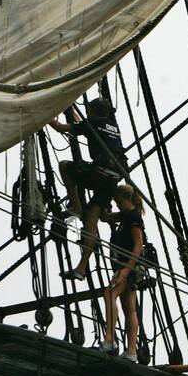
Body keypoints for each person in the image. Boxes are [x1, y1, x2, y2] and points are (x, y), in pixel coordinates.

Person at [49, 97, 129, 281]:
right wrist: (74, 114)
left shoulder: (92, 123)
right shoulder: (111, 125)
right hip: (113, 178)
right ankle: (81, 269)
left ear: (91, 111)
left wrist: (44, 115)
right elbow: (85, 124)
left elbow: (61, 128)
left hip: (98, 174)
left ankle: (76, 206)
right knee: (91, 224)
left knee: (64, 166)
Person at [100, 184, 147, 360]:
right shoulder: (125, 216)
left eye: (119, 202)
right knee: (129, 308)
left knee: (110, 293)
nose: (118, 205)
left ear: (128, 199)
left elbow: (138, 244)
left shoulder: (134, 218)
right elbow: (106, 217)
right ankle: (131, 351)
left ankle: (110, 340)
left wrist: (127, 269)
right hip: (126, 267)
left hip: (128, 267)